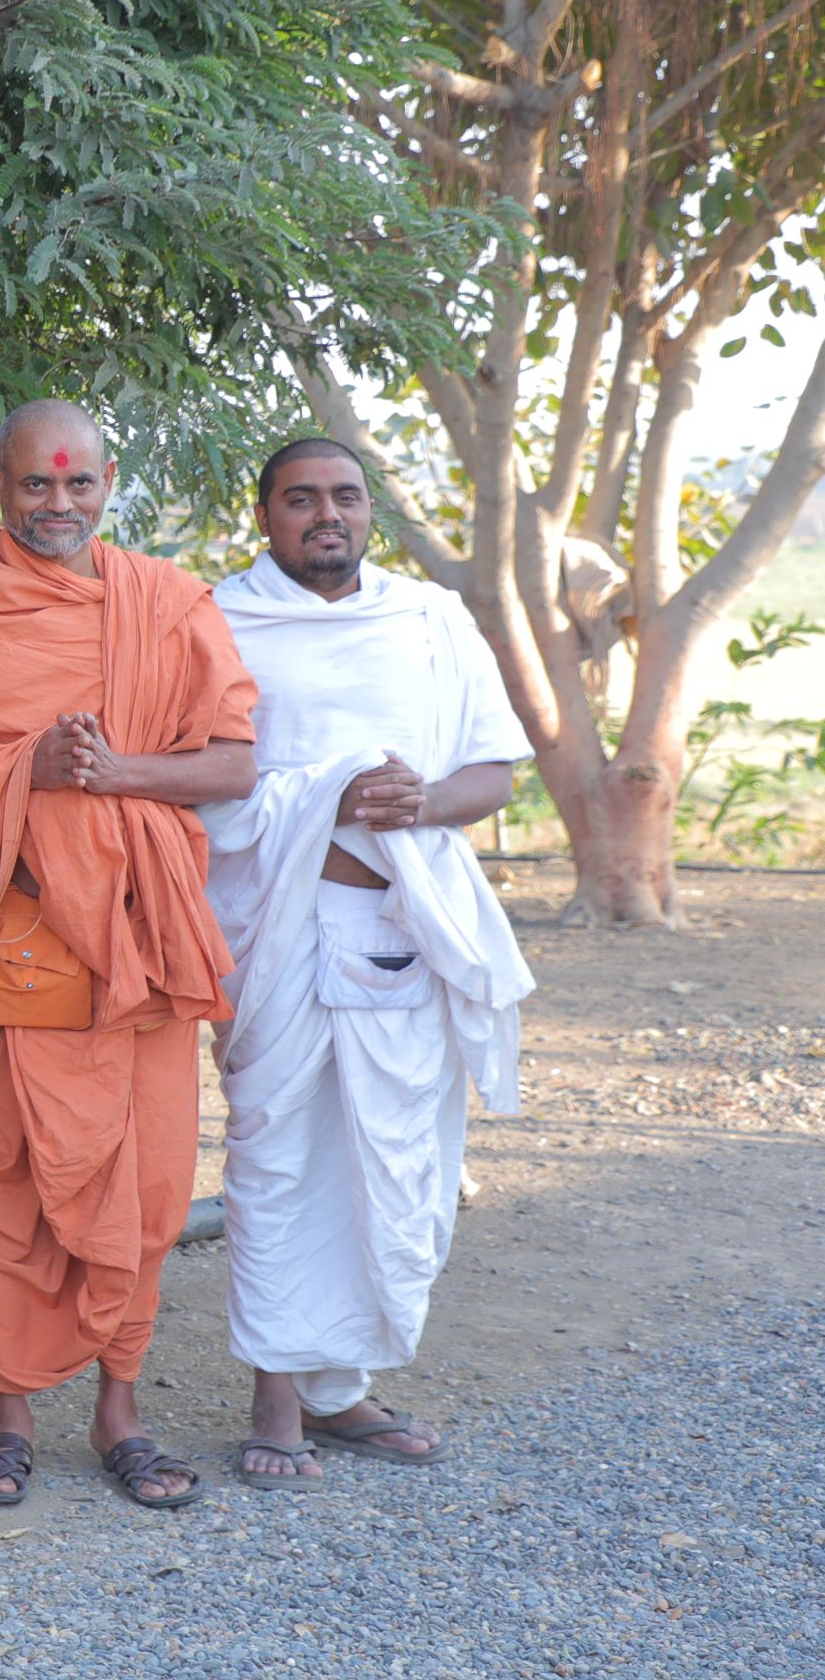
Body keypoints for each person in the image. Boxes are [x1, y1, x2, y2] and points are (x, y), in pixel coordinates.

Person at [0, 400, 257, 1514]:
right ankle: (11, 1413)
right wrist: (23, 769)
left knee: (145, 1180)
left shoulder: (169, 602)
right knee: (9, 1172)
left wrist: (113, 772)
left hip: (138, 937)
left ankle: (119, 1410)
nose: (57, 503)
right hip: (17, 933)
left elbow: (231, 765)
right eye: (35, 482)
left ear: (109, 480)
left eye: (78, 482)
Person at [201, 438, 531, 1488]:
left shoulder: (430, 618)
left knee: (394, 1156)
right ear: (264, 514)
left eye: (344, 496)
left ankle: (337, 1387)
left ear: (369, 508)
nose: (326, 514)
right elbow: (198, 780)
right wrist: (326, 794)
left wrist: (420, 800)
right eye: (301, 498)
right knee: (279, 1157)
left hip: (406, 929)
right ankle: (275, 1395)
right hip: (277, 933)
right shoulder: (216, 619)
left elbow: (492, 771)